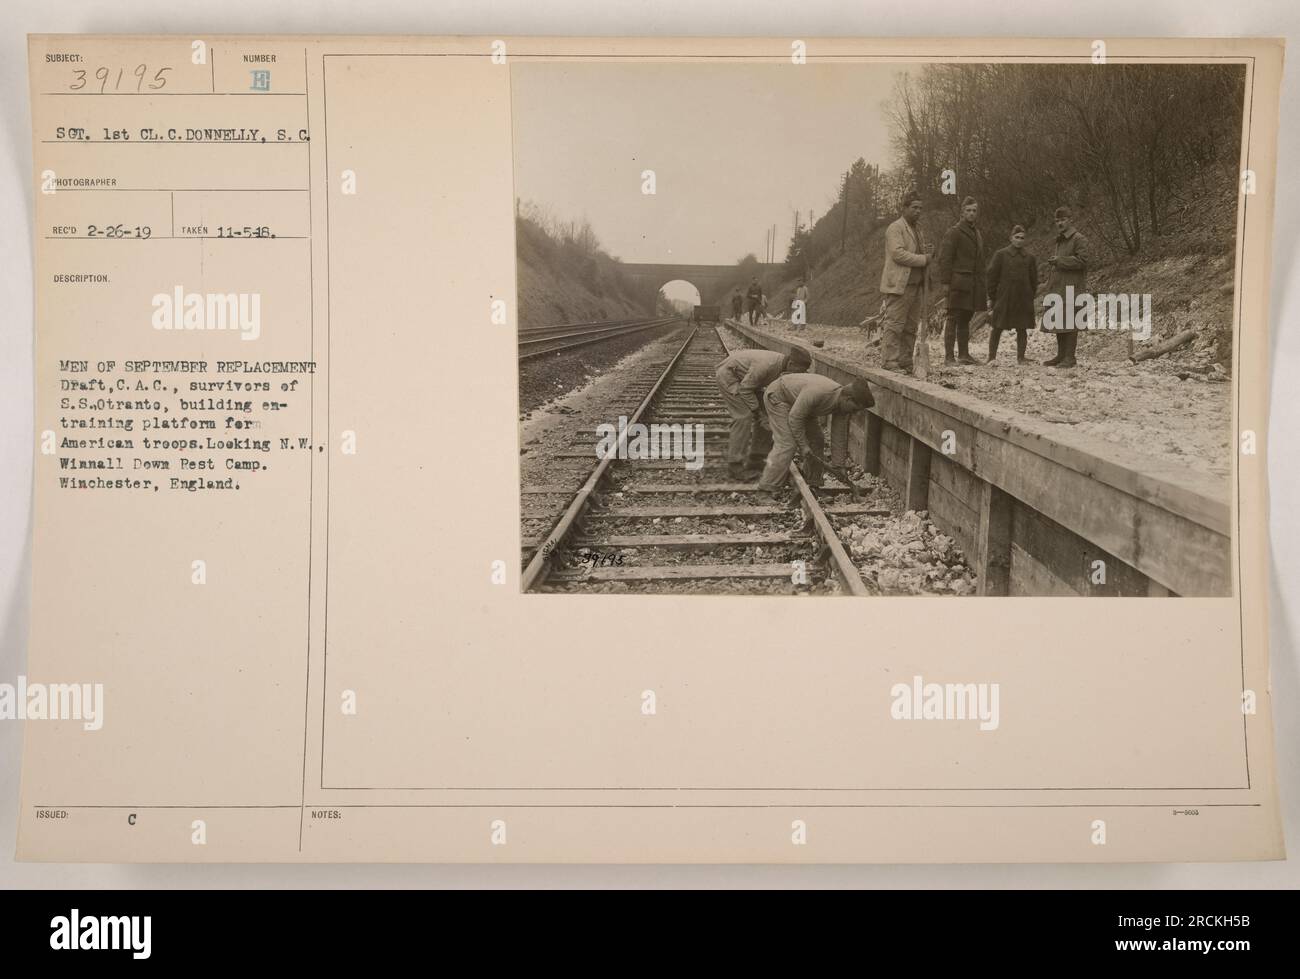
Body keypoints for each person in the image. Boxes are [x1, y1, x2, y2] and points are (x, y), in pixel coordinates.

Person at [756, 374, 874, 494]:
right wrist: (803, 446)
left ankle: (813, 483)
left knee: (817, 440)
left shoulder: (842, 405)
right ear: (848, 399)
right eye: (854, 409)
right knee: (788, 444)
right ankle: (765, 490)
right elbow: (795, 418)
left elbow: (839, 436)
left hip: (802, 405)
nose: (853, 413)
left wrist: (839, 465)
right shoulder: (820, 393)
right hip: (779, 397)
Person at [715, 346, 813, 480]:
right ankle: (735, 465)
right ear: (791, 364)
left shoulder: (781, 366)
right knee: (743, 417)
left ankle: (757, 457)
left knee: (767, 413)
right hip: (730, 377)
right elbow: (745, 390)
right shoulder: (766, 366)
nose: (798, 374)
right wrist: (757, 411)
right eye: (799, 371)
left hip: (747, 381)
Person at [878, 191, 931, 373]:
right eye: (914, 207)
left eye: (920, 208)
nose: (918, 211)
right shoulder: (895, 228)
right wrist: (923, 259)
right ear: (905, 208)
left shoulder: (918, 230)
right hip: (900, 285)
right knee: (894, 324)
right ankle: (890, 361)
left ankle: (905, 361)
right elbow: (897, 254)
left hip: (916, 285)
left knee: (910, 326)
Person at [937, 196, 988, 366]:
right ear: (962, 212)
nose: (972, 214)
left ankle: (964, 355)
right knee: (953, 317)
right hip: (958, 282)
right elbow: (945, 259)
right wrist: (945, 284)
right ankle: (949, 357)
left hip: (972, 283)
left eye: (974, 211)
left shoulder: (977, 233)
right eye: (968, 210)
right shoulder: (954, 232)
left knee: (966, 317)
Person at [1043, 205, 1088, 369]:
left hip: (1073, 287)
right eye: (1057, 221)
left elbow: (1083, 261)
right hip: (1059, 286)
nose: (1060, 223)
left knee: (1071, 322)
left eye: (1063, 220)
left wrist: (1060, 261)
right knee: (1059, 320)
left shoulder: (1079, 239)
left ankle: (1070, 357)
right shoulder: (1060, 239)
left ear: (1070, 220)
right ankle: (1061, 355)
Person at [985, 225, 1038, 364]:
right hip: (1004, 298)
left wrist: (1029, 295)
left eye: (1022, 238)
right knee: (997, 327)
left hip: (1023, 298)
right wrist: (993, 296)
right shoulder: (1001, 255)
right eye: (1017, 237)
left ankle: (1021, 357)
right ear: (1011, 238)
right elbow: (991, 277)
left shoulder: (1030, 258)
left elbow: (1034, 280)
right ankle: (991, 357)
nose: (1019, 241)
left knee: (1022, 328)